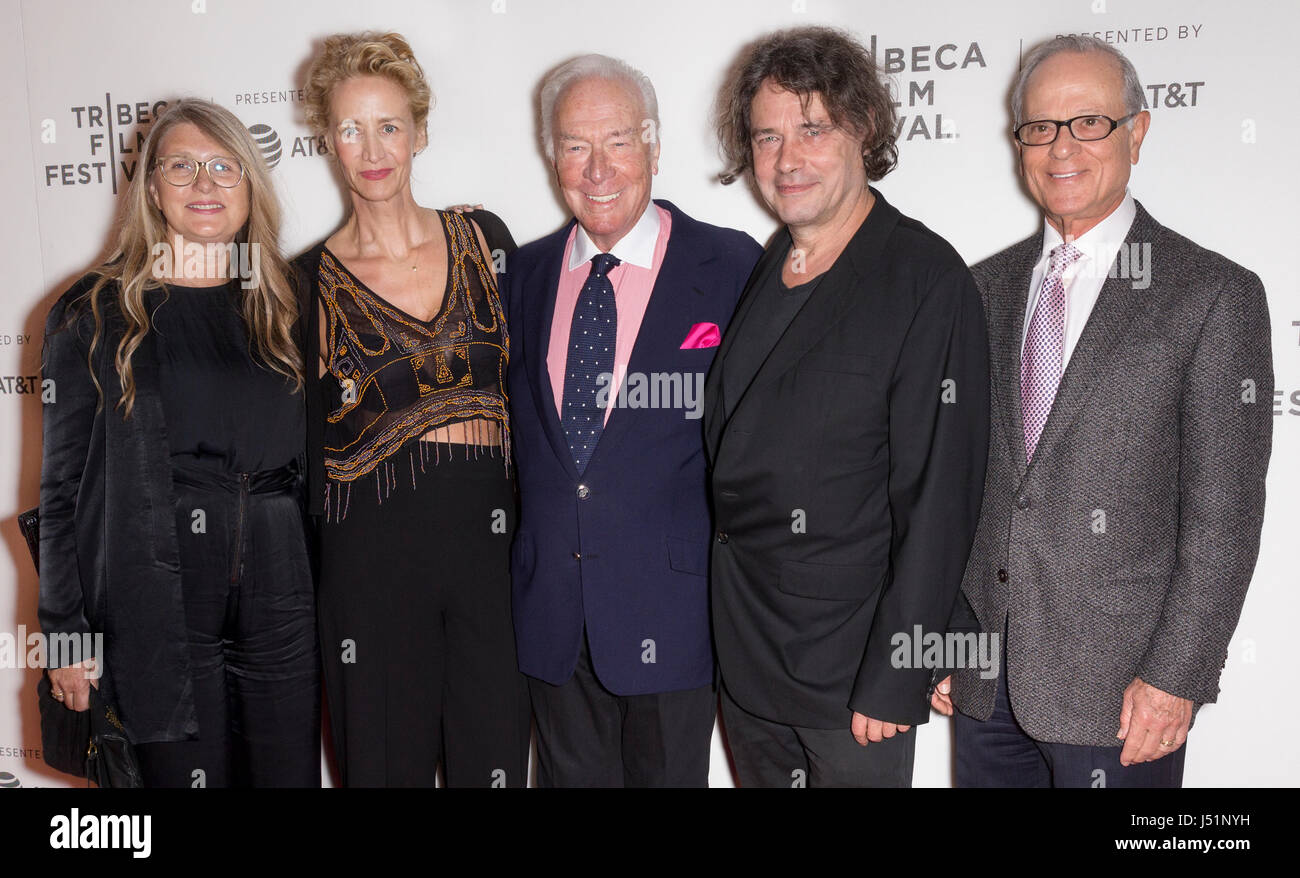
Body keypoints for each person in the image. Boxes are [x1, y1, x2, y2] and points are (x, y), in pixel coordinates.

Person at [931, 35, 1273, 788]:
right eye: (1041, 127)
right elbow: (957, 493)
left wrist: (1178, 676)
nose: (1062, 147)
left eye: (1089, 123)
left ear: (1137, 132)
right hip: (986, 690)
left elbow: (1226, 516)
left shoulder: (1212, 294)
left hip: (1125, 699)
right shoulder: (978, 291)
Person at [706, 26, 989, 787]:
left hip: (852, 673)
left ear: (862, 129)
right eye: (766, 136)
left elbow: (940, 499)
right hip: (750, 656)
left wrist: (901, 670)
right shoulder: (775, 260)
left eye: (813, 128)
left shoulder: (926, 279)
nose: (786, 158)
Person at [39, 98, 319, 787]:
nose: (205, 185)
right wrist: (66, 635)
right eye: (183, 167)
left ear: (251, 184)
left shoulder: (289, 297)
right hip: (156, 585)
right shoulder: (95, 311)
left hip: (283, 581)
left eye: (225, 167)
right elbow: (61, 490)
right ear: (152, 188)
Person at [503, 54, 761, 787]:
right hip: (552, 617)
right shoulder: (521, 275)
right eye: (575, 147)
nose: (597, 169)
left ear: (652, 143)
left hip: (674, 613)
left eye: (617, 140)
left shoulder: (731, 265)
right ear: (552, 156)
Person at [296, 31, 529, 787]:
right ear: (328, 140)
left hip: (492, 567)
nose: (372, 148)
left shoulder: (486, 240)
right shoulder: (304, 283)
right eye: (351, 128)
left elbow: (535, 403)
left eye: (389, 125)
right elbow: (296, 456)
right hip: (369, 577)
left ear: (420, 132)